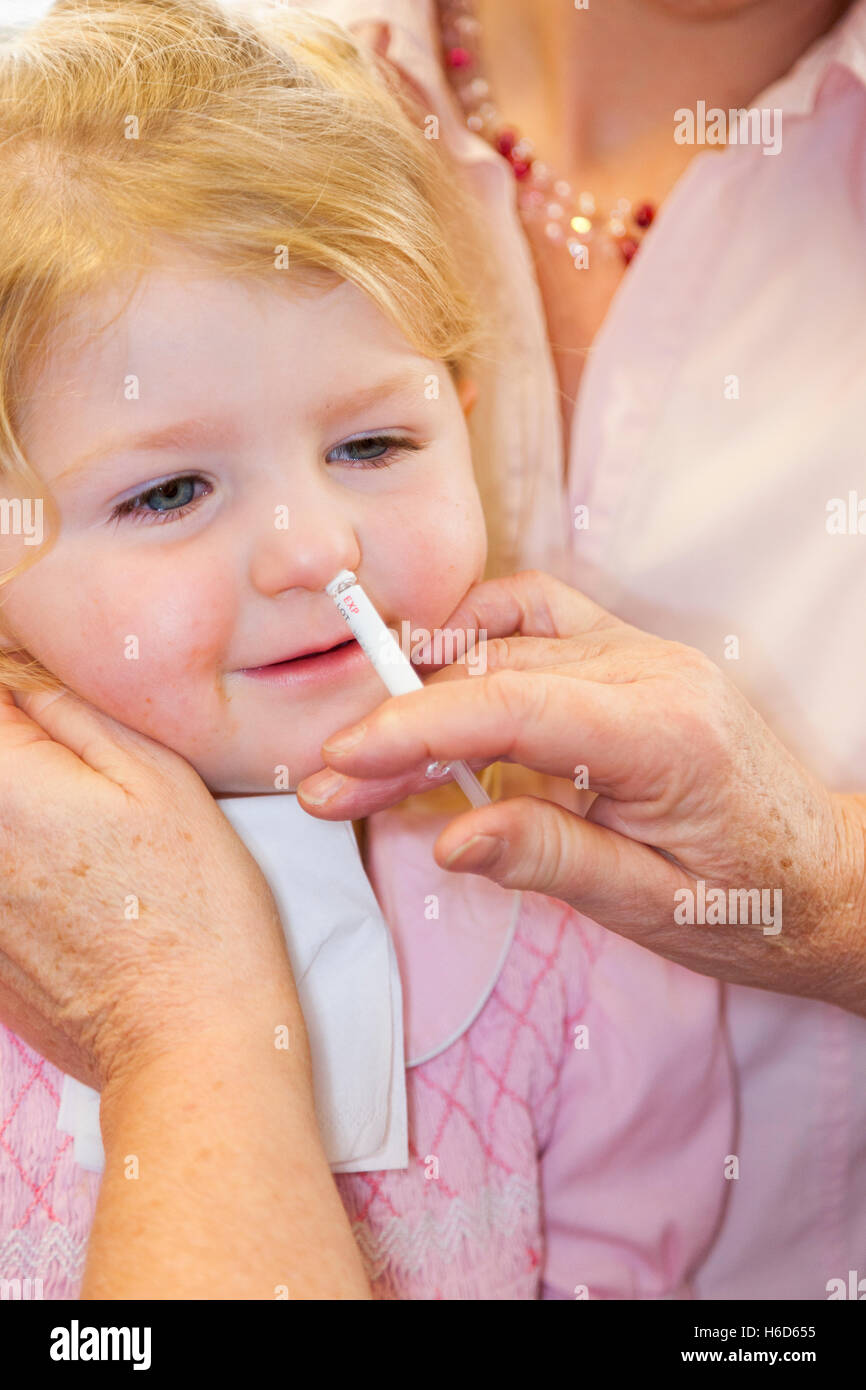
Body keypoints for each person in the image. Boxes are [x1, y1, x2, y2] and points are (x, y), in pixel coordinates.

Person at [0, 0, 731, 1300]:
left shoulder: (587, 931)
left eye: (372, 446)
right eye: (170, 492)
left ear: (459, 414)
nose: (313, 550)